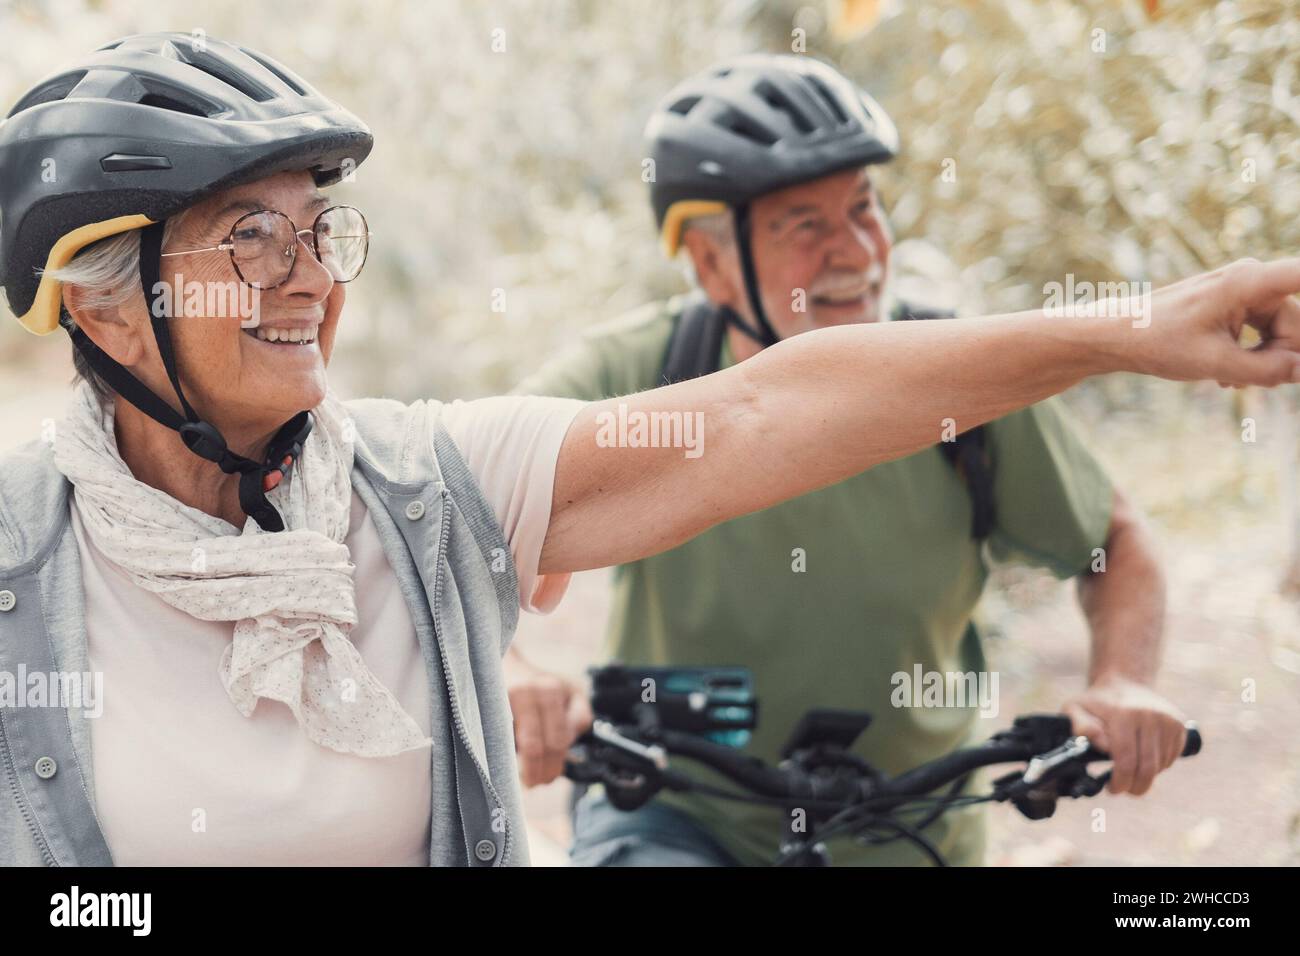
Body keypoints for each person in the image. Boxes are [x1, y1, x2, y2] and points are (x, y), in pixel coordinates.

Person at [0, 35, 1297, 868]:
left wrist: (1140, 327)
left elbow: (768, 413)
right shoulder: (20, 561)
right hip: (683, 807)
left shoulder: (429, 492)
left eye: (321, 233)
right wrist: (518, 672)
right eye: (250, 238)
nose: (308, 281)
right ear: (101, 300)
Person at [506, 55, 1295, 865]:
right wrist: (511, 664)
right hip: (675, 810)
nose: (857, 250)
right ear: (711, 264)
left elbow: (1115, 541)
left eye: (863, 208)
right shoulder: (632, 372)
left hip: (911, 826)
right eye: (804, 226)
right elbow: (462, 509)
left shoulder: (965, 383)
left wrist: (1122, 678)